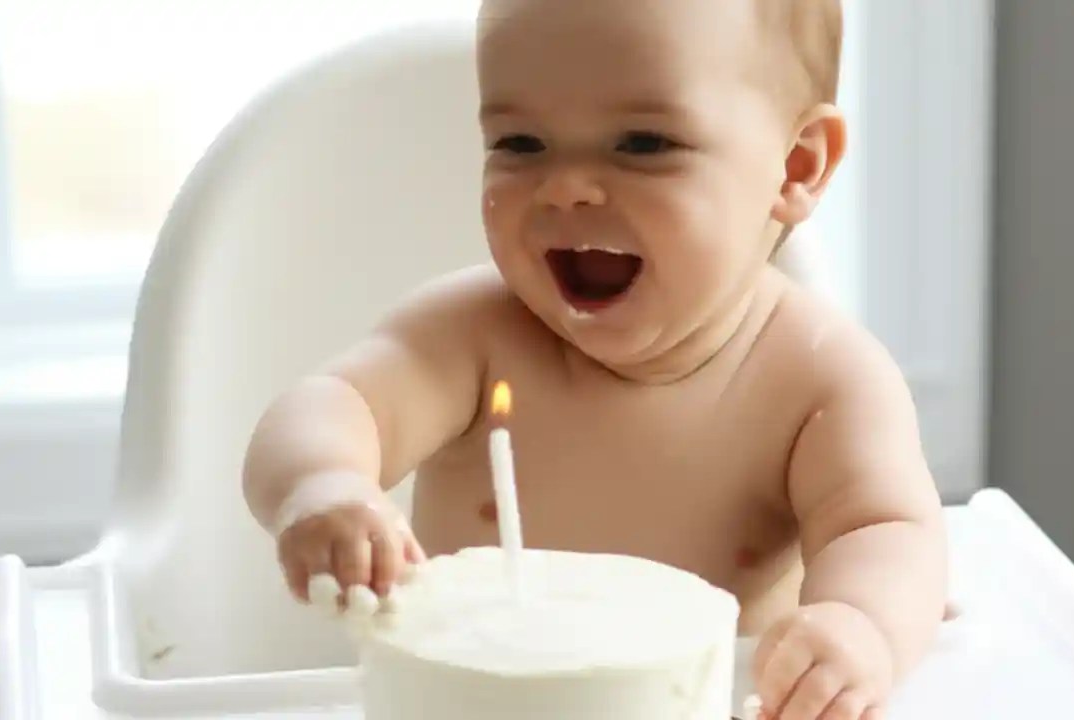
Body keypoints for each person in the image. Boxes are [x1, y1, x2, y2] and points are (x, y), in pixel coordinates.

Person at [243, 1, 947, 717]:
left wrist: (861, 630)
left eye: (643, 142)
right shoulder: (470, 337)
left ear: (795, 166)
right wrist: (322, 483)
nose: (565, 186)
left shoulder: (822, 379)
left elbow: (888, 531)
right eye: (520, 143)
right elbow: (336, 402)